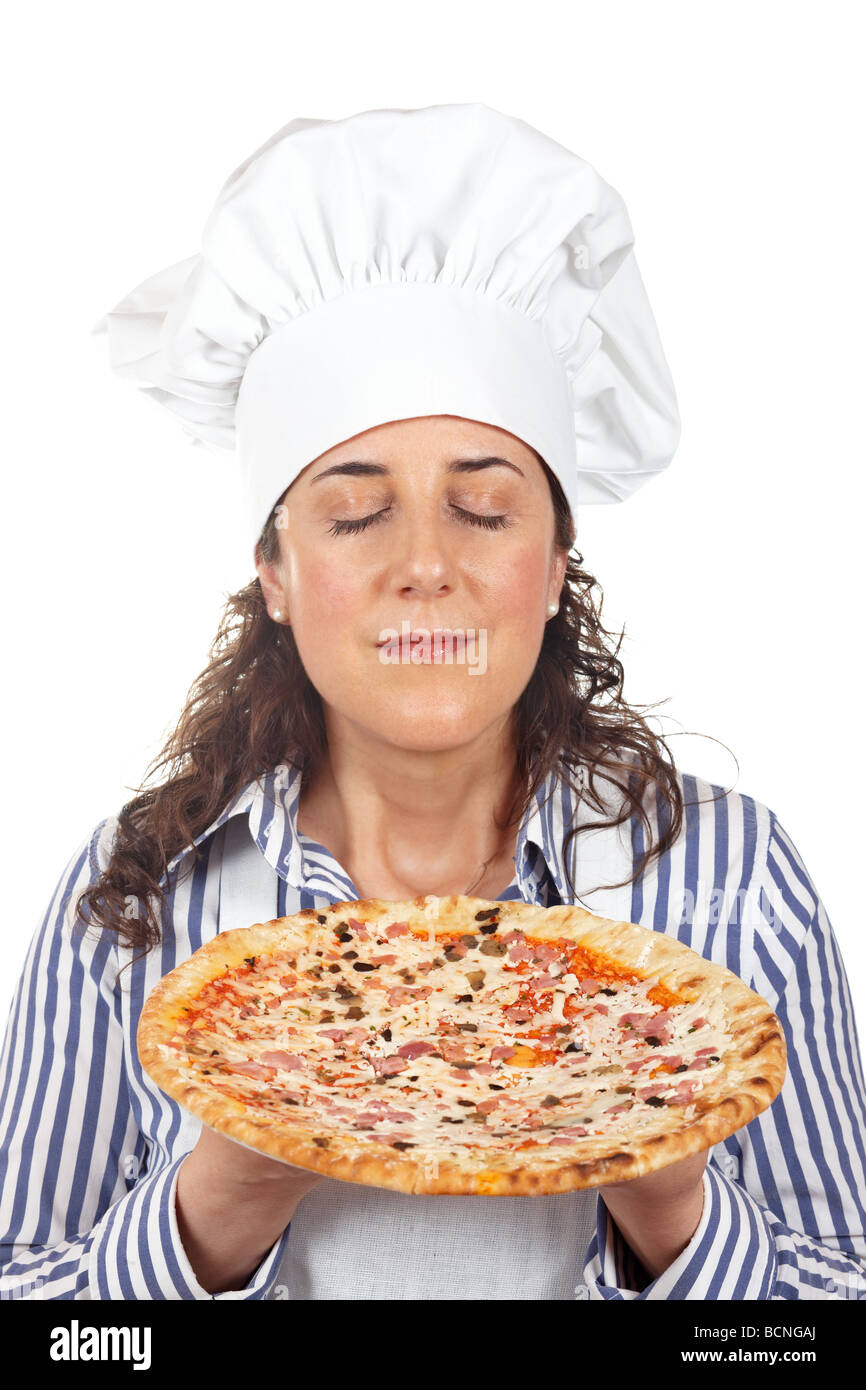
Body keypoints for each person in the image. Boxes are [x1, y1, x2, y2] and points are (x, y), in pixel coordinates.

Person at [1, 104, 865, 1302]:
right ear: (277, 574)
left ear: (557, 562)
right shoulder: (134, 895)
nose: (424, 563)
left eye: (484, 508)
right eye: (356, 511)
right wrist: (220, 1202)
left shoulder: (726, 876)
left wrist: (668, 1199)